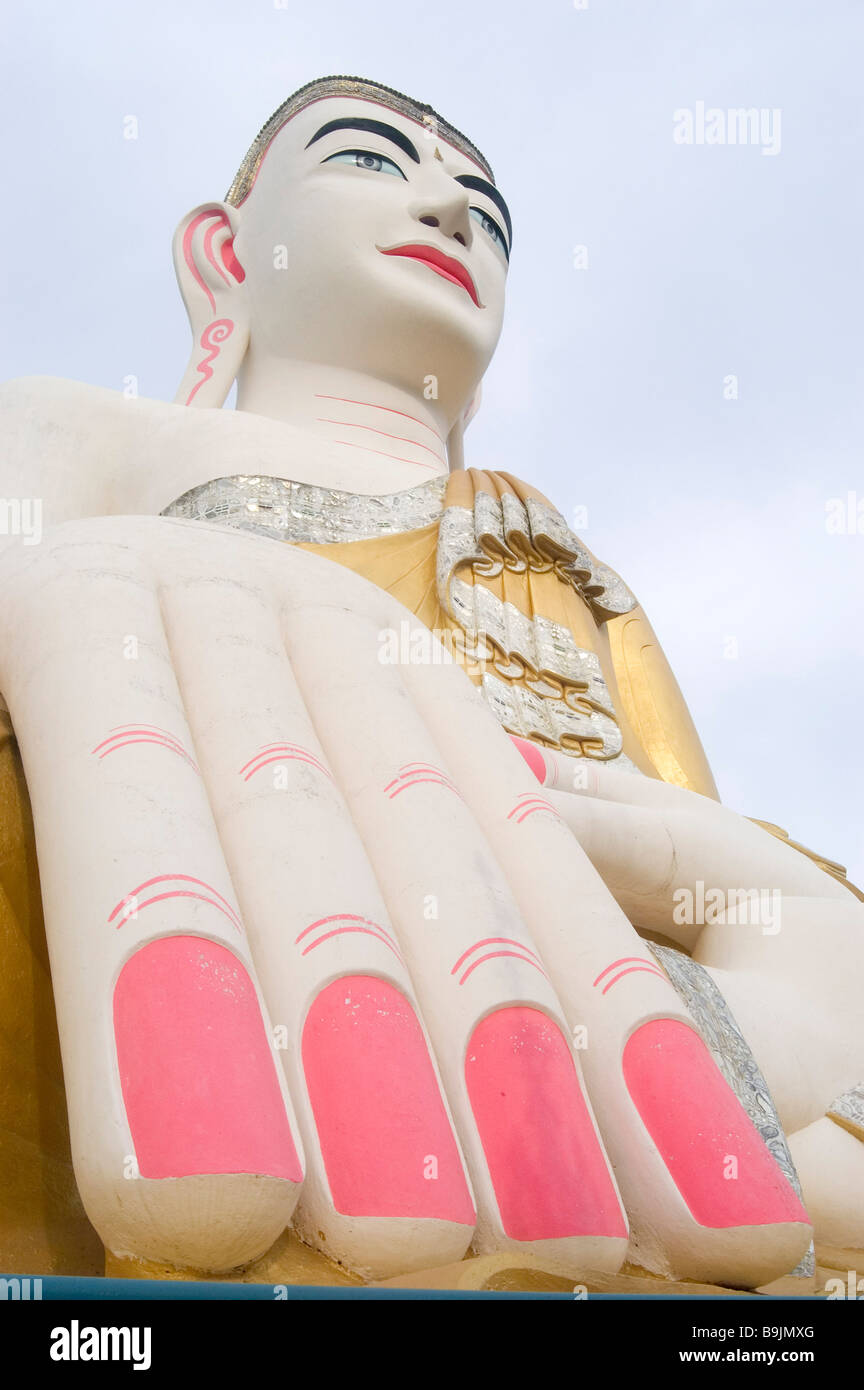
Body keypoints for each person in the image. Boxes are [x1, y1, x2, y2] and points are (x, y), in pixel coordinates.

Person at [0, 76, 860, 1290]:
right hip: (202, 917)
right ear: (222, 250)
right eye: (369, 158)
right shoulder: (87, 435)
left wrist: (790, 944)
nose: (452, 211)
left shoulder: (552, 551)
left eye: (489, 214)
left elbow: (694, 854)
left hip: (580, 1002)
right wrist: (107, 590)